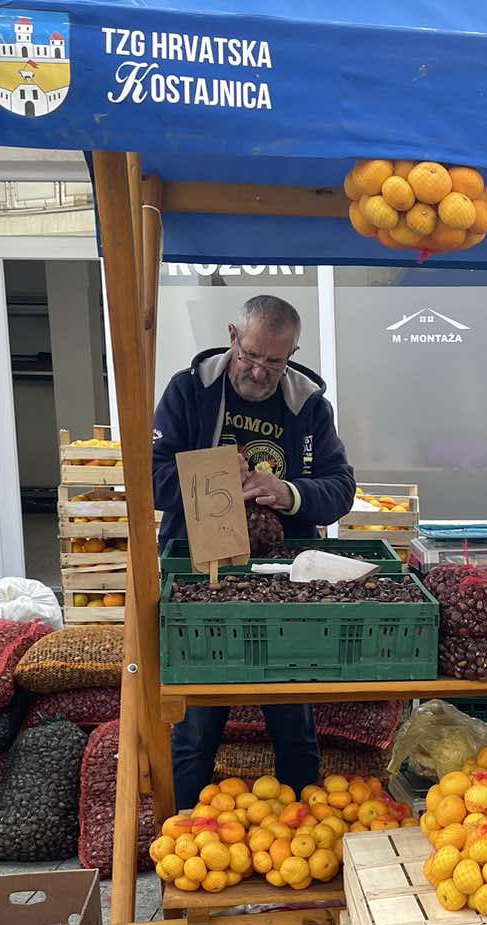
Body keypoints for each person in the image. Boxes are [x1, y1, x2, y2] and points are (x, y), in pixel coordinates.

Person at [153, 295, 355, 800]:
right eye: (250, 356)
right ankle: (184, 832)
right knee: (197, 720)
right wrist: (212, 480)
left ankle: (304, 825)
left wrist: (290, 494)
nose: (260, 372)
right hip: (201, 574)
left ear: (292, 354)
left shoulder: (309, 406)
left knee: (293, 717)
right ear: (232, 336)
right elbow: (150, 476)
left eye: (274, 362)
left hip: (286, 581)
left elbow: (341, 488)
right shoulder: (188, 392)